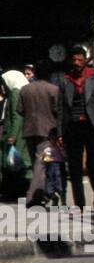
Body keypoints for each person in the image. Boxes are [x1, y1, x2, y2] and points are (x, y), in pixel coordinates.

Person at [59, 45, 94, 209]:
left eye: (80, 60)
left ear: (85, 61)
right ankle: (79, 203)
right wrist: (60, 132)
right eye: (74, 60)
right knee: (74, 167)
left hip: (91, 126)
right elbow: (61, 109)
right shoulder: (65, 80)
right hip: (72, 127)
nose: (77, 63)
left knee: (93, 164)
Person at [20, 62, 62, 207]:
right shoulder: (54, 90)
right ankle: (33, 196)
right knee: (42, 164)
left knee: (37, 163)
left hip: (29, 130)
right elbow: (58, 111)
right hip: (48, 131)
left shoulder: (25, 89)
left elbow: (20, 110)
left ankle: (42, 193)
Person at [1, 69, 30, 200]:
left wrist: (12, 135)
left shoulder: (15, 93)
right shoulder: (22, 90)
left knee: (13, 163)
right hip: (20, 132)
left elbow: (16, 116)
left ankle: (15, 192)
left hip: (15, 134)